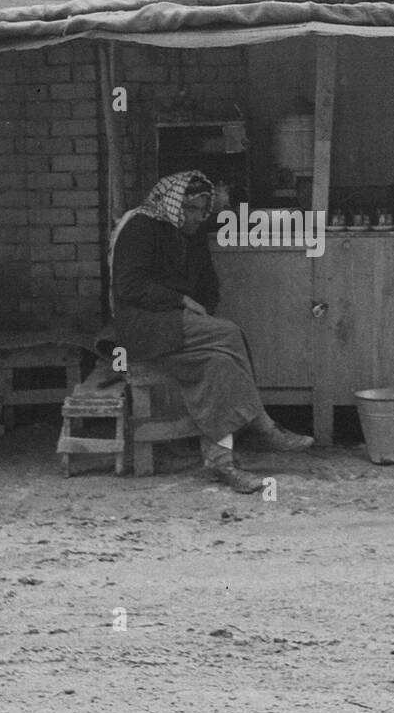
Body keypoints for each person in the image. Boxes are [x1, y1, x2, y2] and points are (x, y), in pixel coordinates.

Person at [110, 170, 313, 493]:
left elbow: (208, 290)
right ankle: (263, 424)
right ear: (173, 204)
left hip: (181, 333)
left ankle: (222, 464)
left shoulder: (192, 236)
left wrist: (204, 320)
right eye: (191, 209)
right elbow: (129, 286)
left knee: (222, 364)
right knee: (230, 333)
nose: (198, 216)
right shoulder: (141, 227)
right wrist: (181, 300)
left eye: (203, 209)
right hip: (144, 328)